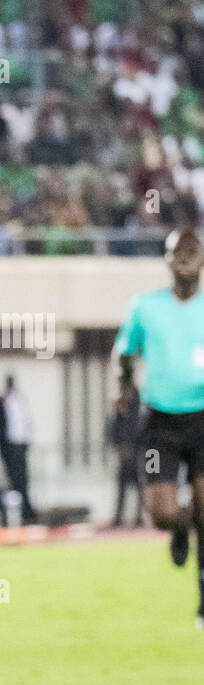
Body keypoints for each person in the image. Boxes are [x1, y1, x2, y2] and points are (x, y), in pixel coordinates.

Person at [115, 227, 204, 626]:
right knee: (162, 513)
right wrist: (121, 386)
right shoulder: (145, 307)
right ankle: (181, 529)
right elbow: (124, 353)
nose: (185, 256)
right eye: (177, 251)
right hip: (159, 424)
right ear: (167, 260)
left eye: (193, 250)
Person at [0, 374, 36, 523]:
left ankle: (25, 512)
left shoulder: (21, 401)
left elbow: (27, 423)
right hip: (6, 447)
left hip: (19, 446)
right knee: (10, 481)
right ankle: (9, 515)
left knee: (23, 480)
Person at [108, 375, 143, 528]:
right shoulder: (119, 414)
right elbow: (113, 433)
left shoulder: (138, 414)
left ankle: (139, 517)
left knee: (140, 488)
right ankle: (119, 517)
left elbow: (143, 434)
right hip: (125, 456)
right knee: (122, 489)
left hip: (137, 455)